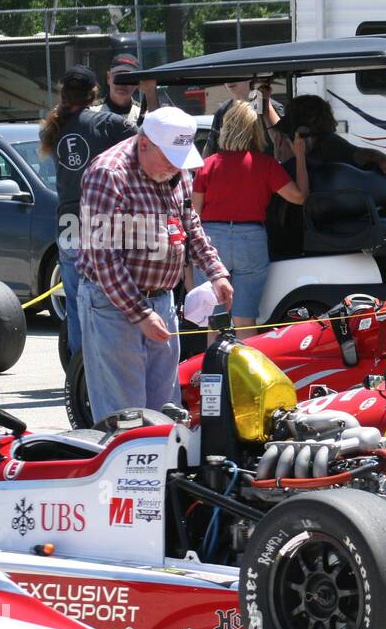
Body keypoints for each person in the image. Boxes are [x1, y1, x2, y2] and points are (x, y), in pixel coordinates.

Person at [77, 107, 233, 419]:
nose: (176, 168)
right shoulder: (108, 174)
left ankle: (161, 464)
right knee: (125, 413)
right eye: (169, 159)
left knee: (166, 407)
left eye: (180, 160)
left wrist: (216, 272)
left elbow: (191, 225)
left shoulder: (175, 170)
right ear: (145, 143)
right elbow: (103, 258)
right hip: (113, 305)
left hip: (159, 300)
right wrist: (140, 313)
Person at [38, 65, 145, 358]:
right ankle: (107, 365)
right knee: (109, 302)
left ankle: (79, 373)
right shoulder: (110, 125)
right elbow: (145, 150)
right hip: (101, 223)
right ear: (94, 93)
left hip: (68, 225)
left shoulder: (54, 128)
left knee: (75, 306)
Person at [191, 100, 309, 337]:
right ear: (255, 130)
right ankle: (248, 373)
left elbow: (194, 214)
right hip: (251, 239)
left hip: (212, 240)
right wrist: (300, 157)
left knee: (214, 320)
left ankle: (215, 373)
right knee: (246, 320)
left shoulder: (208, 165)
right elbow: (299, 197)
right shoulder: (266, 165)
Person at [276, 94, 386, 182]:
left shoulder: (330, 143)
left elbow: (357, 153)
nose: (288, 141)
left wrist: (382, 158)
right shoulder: (312, 147)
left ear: (302, 132)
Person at [203, 80, 285, 158]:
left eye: (237, 74)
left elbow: (283, 145)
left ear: (250, 77)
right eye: (226, 75)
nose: (230, 80)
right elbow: (210, 146)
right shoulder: (222, 111)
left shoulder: (271, 107)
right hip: (231, 170)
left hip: (265, 169)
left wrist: (266, 108)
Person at [102, 54, 162, 124]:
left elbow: (157, 128)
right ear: (108, 78)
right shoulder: (91, 112)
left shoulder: (145, 114)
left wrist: (150, 93)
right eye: (118, 77)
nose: (122, 83)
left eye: (128, 78)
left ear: (137, 83)